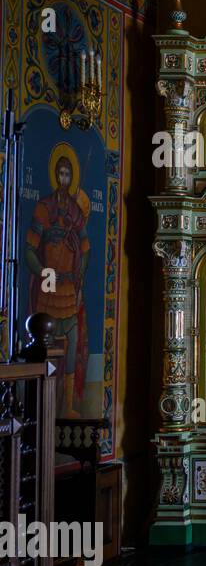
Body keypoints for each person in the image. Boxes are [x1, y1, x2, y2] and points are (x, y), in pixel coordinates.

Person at [24, 146, 90, 413]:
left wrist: (78, 277)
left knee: (72, 341)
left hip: (67, 286)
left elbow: (85, 249)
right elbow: (30, 248)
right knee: (45, 343)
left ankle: (69, 406)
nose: (64, 179)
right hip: (49, 285)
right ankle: (41, 405)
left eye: (67, 174)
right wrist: (43, 271)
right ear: (55, 176)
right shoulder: (44, 208)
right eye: (60, 173)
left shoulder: (75, 212)